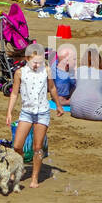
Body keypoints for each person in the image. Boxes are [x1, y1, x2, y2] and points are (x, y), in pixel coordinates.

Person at [6, 44, 61, 186]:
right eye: (34, 62)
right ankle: (20, 167)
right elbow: (14, 93)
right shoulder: (20, 73)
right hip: (26, 113)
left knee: (37, 147)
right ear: (27, 59)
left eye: (40, 62)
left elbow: (52, 88)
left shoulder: (47, 71)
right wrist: (9, 112)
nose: (37, 65)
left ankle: (35, 177)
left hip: (42, 113)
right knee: (17, 146)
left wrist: (59, 106)